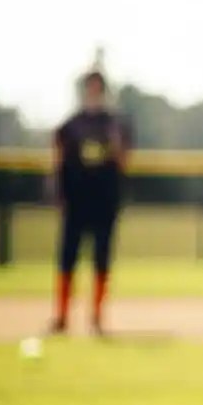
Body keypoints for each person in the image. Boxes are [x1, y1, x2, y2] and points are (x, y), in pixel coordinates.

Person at [48, 69, 133, 336]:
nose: (94, 92)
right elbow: (58, 159)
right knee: (67, 259)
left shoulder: (115, 124)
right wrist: (58, 193)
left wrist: (116, 142)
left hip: (104, 200)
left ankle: (96, 317)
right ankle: (61, 316)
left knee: (101, 259)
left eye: (98, 88)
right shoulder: (70, 125)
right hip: (76, 200)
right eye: (90, 87)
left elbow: (124, 160)